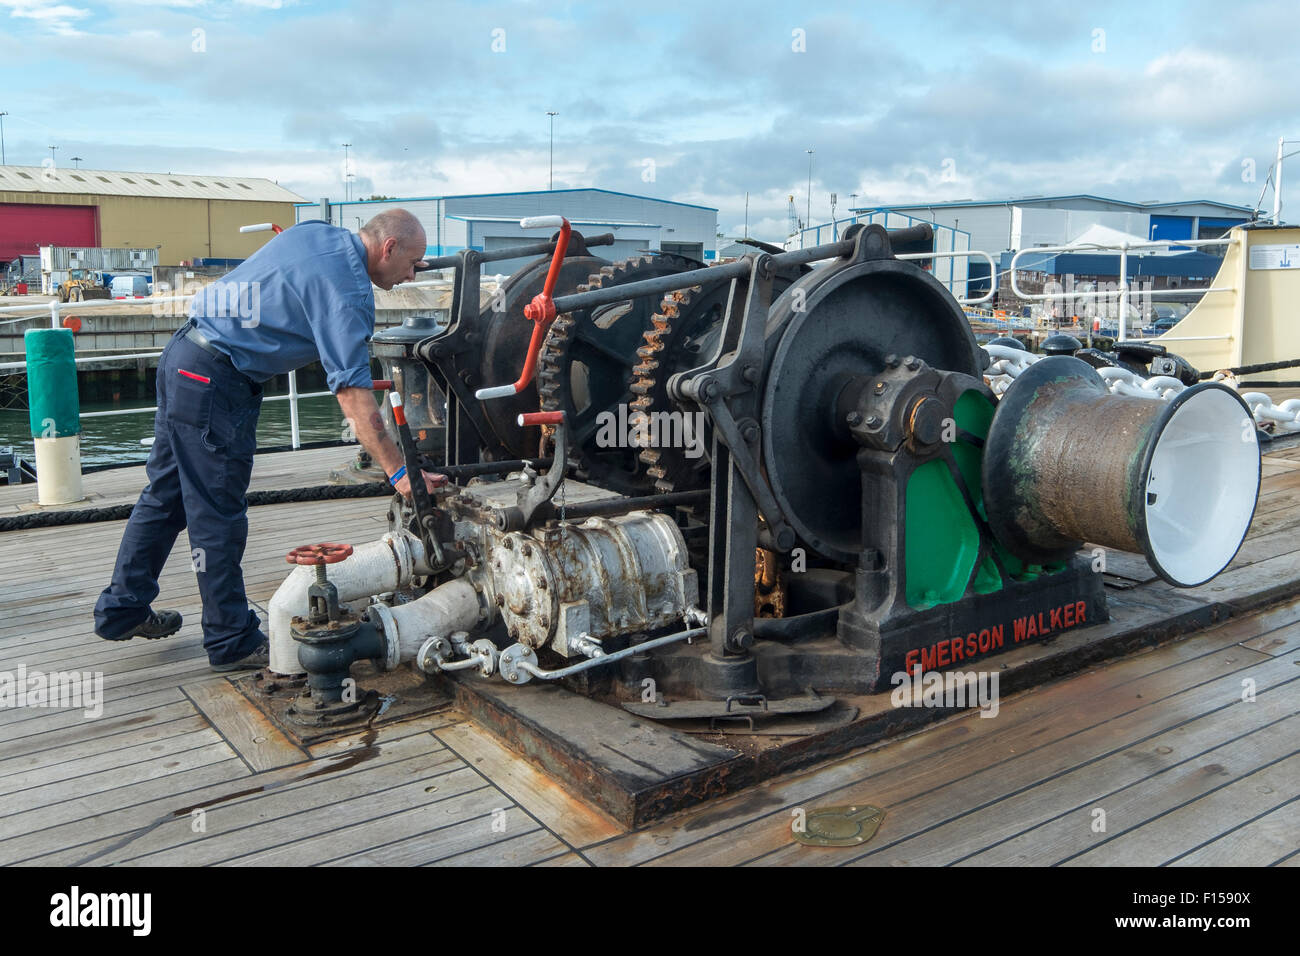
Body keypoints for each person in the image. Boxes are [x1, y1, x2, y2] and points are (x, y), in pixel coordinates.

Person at [93, 209, 440, 672]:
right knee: (217, 514)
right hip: (217, 381)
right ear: (388, 248)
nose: (414, 273)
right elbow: (355, 397)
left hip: (183, 358)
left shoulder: (318, 233)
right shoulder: (350, 293)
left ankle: (122, 608)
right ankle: (231, 638)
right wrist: (400, 471)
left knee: (166, 496)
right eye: (413, 262)